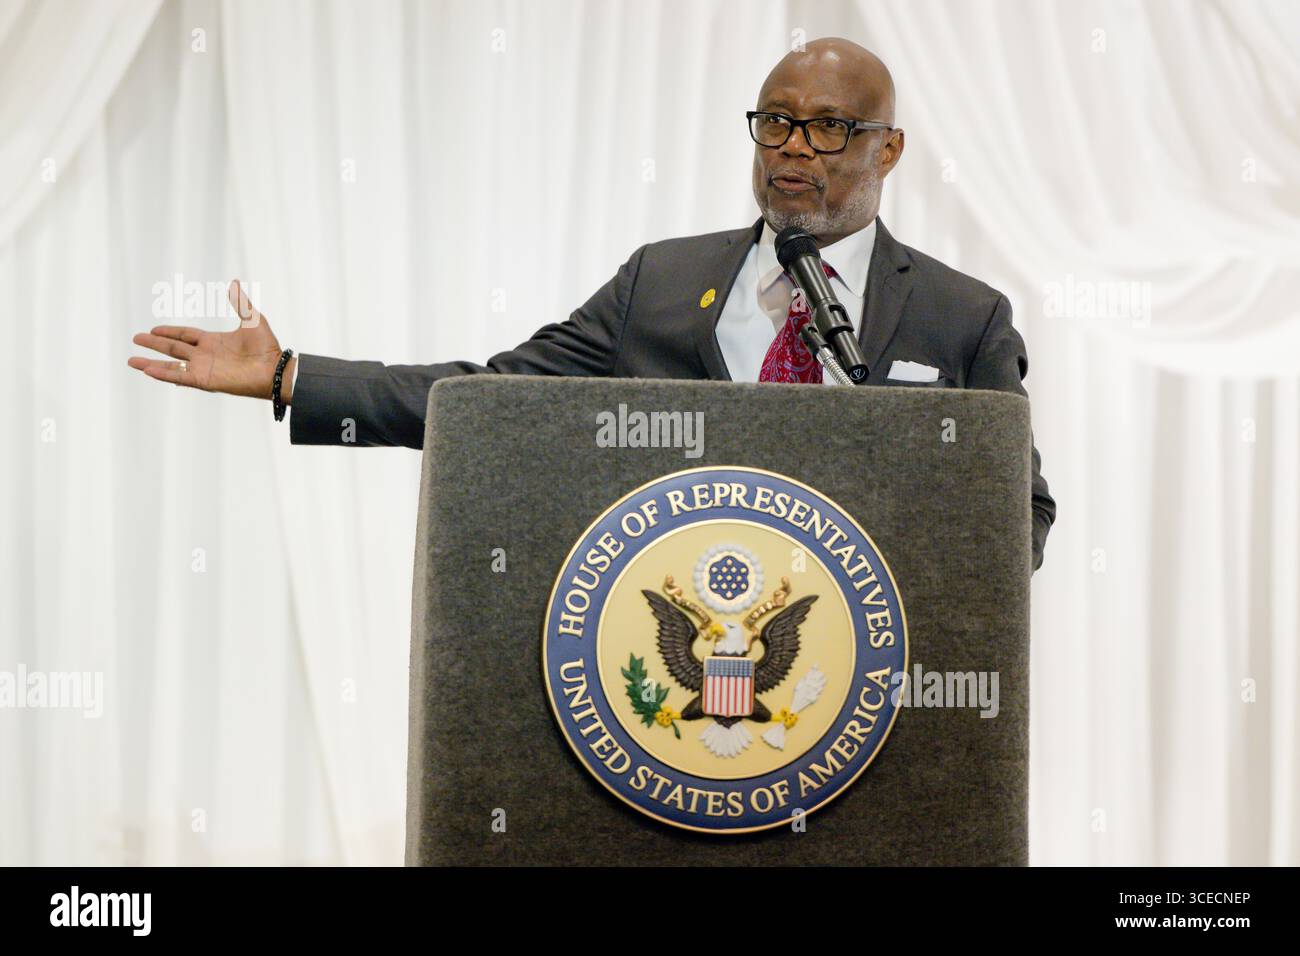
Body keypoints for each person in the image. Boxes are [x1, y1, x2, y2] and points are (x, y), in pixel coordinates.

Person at [128, 37, 1056, 570]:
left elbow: (1023, 518)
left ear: (887, 151)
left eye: (828, 128)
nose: (794, 147)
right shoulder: (660, 280)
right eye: (775, 121)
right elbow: (491, 398)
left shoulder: (959, 316)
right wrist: (295, 377)